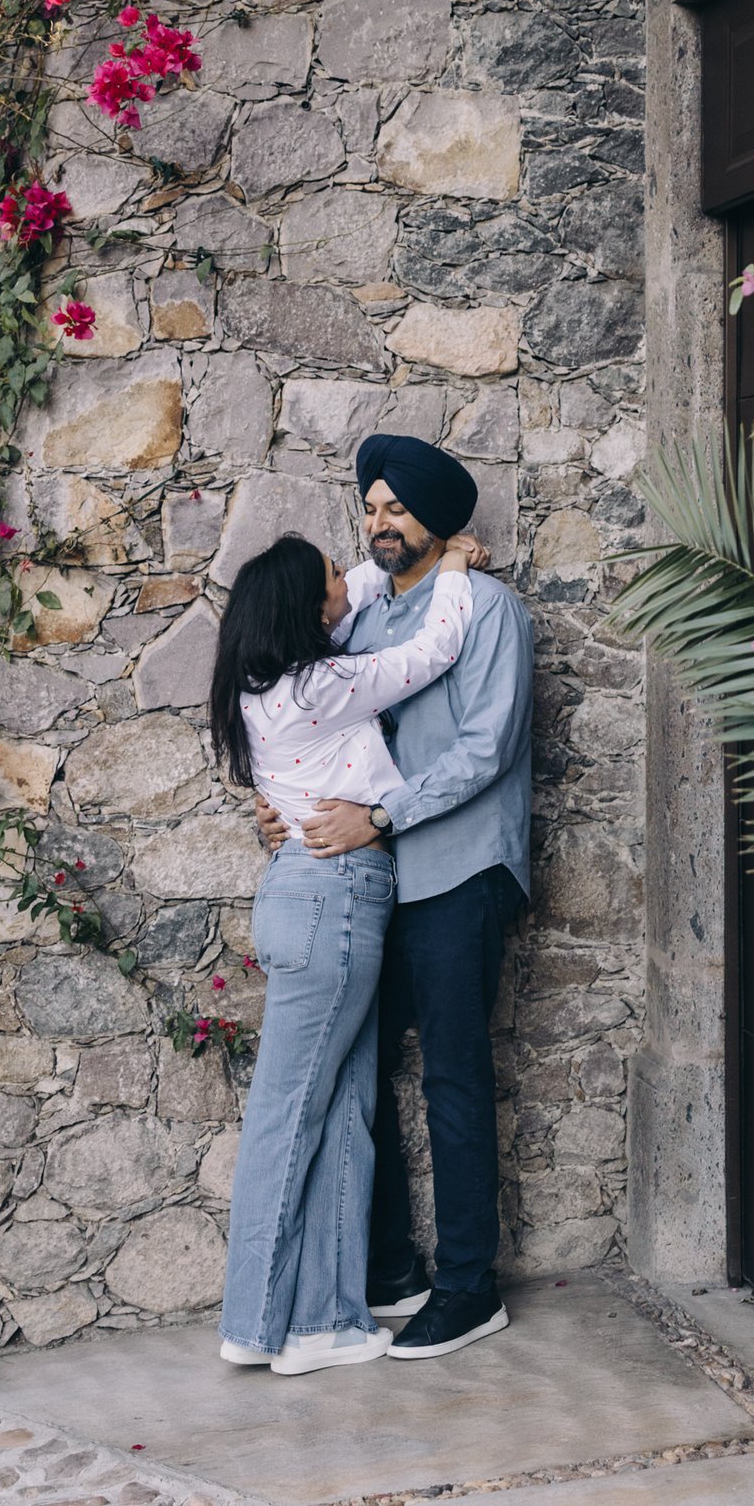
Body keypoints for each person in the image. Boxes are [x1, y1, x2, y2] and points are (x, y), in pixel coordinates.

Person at [255, 434, 533, 1365]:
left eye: (395, 509)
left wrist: (377, 813)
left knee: (453, 1075)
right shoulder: (360, 624)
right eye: (369, 509)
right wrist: (292, 809)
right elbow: (312, 718)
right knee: (359, 1076)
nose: (378, 524)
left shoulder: (490, 610)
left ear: (437, 522)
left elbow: (484, 750)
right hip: (367, 885)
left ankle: (468, 1287)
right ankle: (387, 1269)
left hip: (457, 870)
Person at [208, 525, 486, 1375]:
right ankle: (255, 1322)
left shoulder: (258, 691)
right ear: (304, 608)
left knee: (340, 1110)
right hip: (335, 900)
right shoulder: (320, 686)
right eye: (332, 575)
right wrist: (455, 569)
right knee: (290, 1113)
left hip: (309, 895)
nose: (350, 578)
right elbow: (433, 650)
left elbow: (362, 588)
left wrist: (388, 569)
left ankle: (327, 1320)